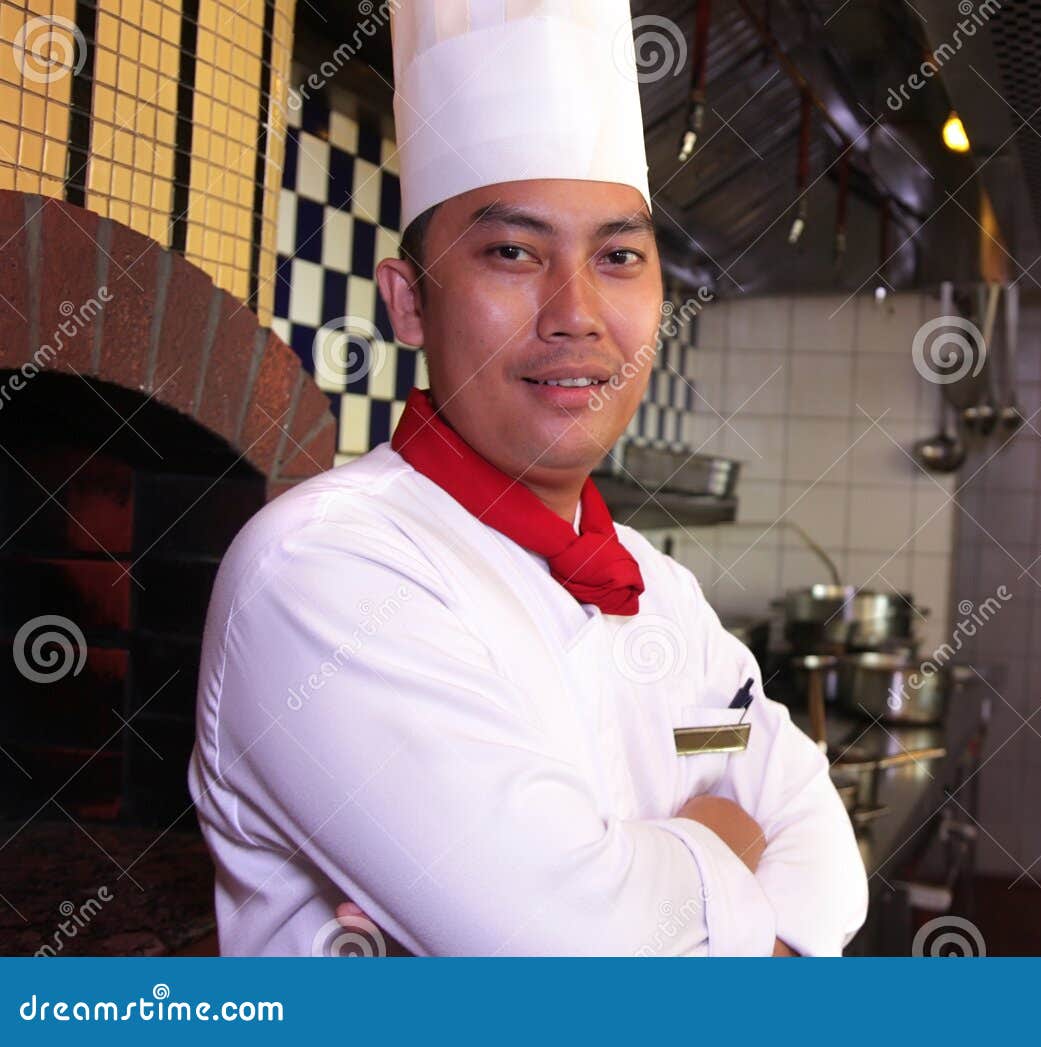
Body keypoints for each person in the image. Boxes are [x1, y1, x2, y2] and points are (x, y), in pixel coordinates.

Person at [186, 0, 867, 956]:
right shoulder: (321, 571)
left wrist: (663, 878)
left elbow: (818, 840)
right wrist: (723, 842)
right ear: (409, 303)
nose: (575, 312)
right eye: (513, 252)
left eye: (618, 256)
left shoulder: (660, 590)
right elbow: (579, 966)